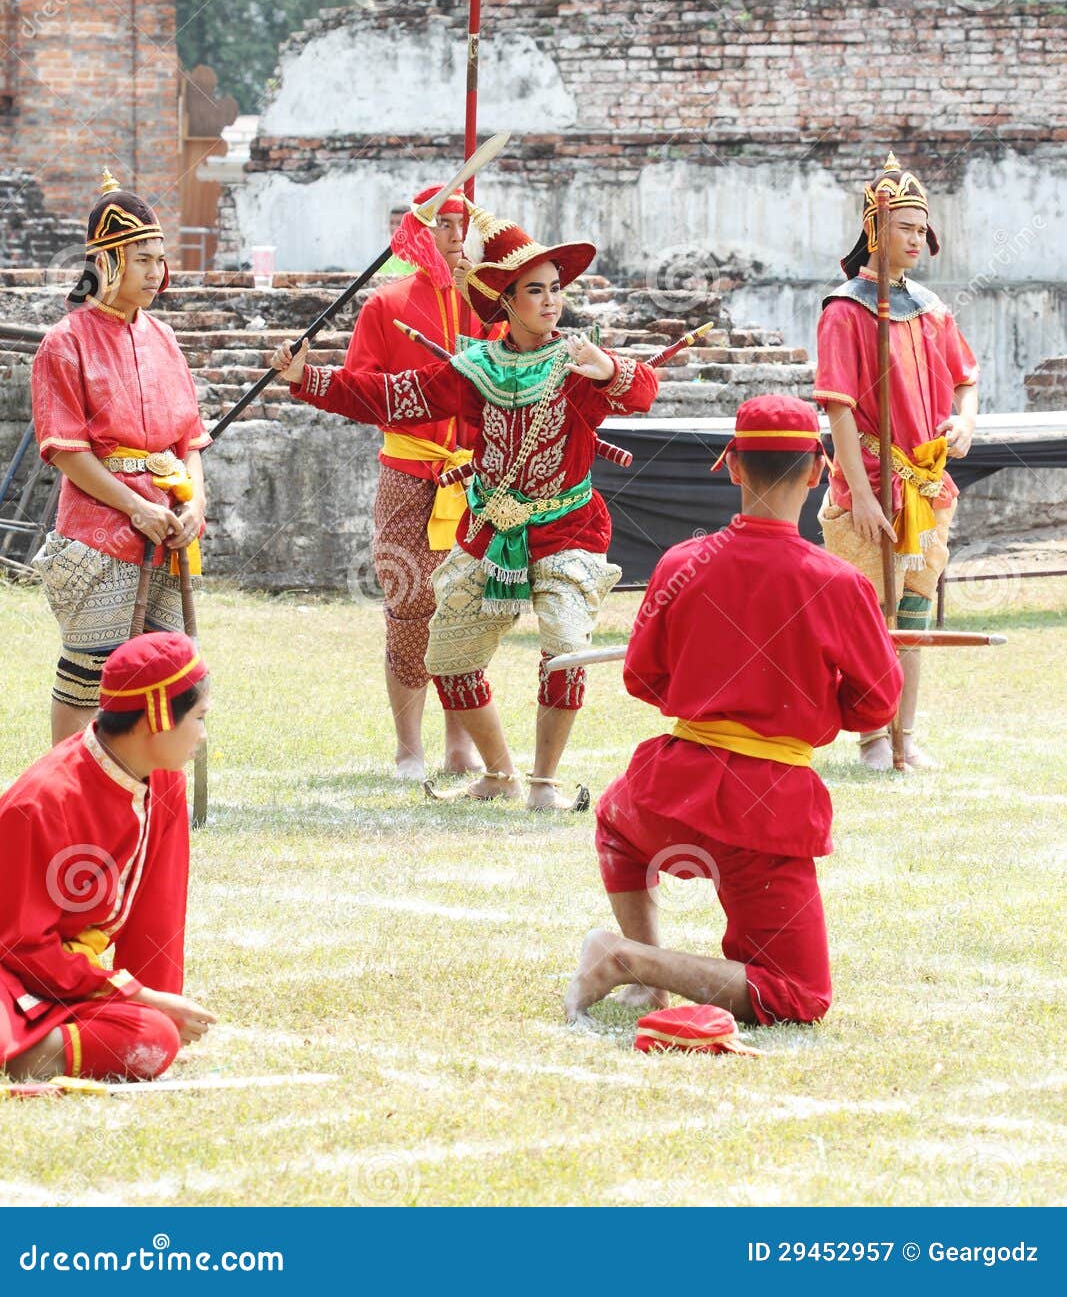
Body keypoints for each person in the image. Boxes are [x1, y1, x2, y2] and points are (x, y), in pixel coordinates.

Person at [271, 200, 659, 811]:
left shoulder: (580, 360)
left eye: (556, 289)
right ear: (506, 301)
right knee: (446, 653)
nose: (552, 302)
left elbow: (642, 392)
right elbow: (394, 397)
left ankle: (544, 784)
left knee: (565, 647)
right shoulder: (474, 369)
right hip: (488, 528)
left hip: (567, 527)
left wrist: (610, 366)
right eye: (536, 291)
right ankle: (501, 773)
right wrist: (308, 379)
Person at [565, 395, 902, 1028]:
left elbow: (642, 677)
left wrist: (712, 693)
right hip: (767, 816)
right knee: (797, 998)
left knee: (614, 818)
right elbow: (875, 707)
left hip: (668, 795)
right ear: (817, 471)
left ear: (733, 467)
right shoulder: (840, 584)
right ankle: (635, 964)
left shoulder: (680, 563)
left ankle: (642, 966)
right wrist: (811, 695)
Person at [30, 171, 210, 746]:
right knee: (92, 675)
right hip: (98, 533)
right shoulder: (65, 341)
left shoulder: (164, 336)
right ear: (107, 262)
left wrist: (195, 504)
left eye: (160, 259)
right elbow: (66, 451)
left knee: (170, 675)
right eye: (142, 260)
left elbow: (189, 440)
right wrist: (136, 508)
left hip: (169, 529)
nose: (156, 272)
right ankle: (69, 794)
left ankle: (151, 793)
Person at [814, 160, 979, 769]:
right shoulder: (846, 309)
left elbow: (966, 381)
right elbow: (837, 411)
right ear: (875, 229)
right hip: (872, 482)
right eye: (902, 226)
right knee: (870, 618)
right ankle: (872, 737)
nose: (914, 238)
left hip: (928, 483)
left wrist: (965, 422)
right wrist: (860, 492)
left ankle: (906, 738)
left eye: (921, 227)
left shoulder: (933, 307)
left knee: (912, 615)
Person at [0, 631, 217, 1084]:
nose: (202, 734)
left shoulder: (165, 782)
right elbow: (19, 944)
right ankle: (25, 1053)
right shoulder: (39, 804)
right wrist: (138, 997)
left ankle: (38, 1047)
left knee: (155, 1036)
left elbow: (158, 914)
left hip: (67, 980)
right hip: (11, 973)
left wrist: (155, 1002)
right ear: (156, 718)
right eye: (198, 718)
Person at [338, 185, 489, 780]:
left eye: (461, 225)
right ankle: (409, 746)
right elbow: (358, 389)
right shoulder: (386, 305)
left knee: (465, 607)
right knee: (408, 603)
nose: (455, 237)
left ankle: (461, 744)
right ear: (418, 234)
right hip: (408, 472)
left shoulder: (487, 305)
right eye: (443, 226)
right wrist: (426, 388)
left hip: (474, 477)